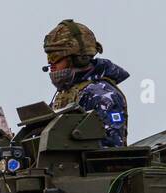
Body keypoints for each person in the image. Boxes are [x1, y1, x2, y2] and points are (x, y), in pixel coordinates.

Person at [44, 19, 130, 147]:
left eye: (55, 57)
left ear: (80, 58)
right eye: (48, 58)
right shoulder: (67, 93)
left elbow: (112, 147)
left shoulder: (103, 95)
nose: (50, 64)